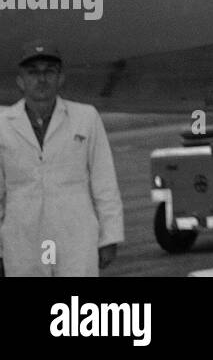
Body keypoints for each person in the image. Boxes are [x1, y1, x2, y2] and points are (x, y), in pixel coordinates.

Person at [0, 41, 124, 277]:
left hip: (76, 236)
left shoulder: (86, 118)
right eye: (33, 72)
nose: (41, 79)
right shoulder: (3, 125)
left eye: (49, 71)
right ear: (20, 81)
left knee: (75, 311)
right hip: (22, 239)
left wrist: (110, 236)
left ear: (61, 79)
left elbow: (104, 182)